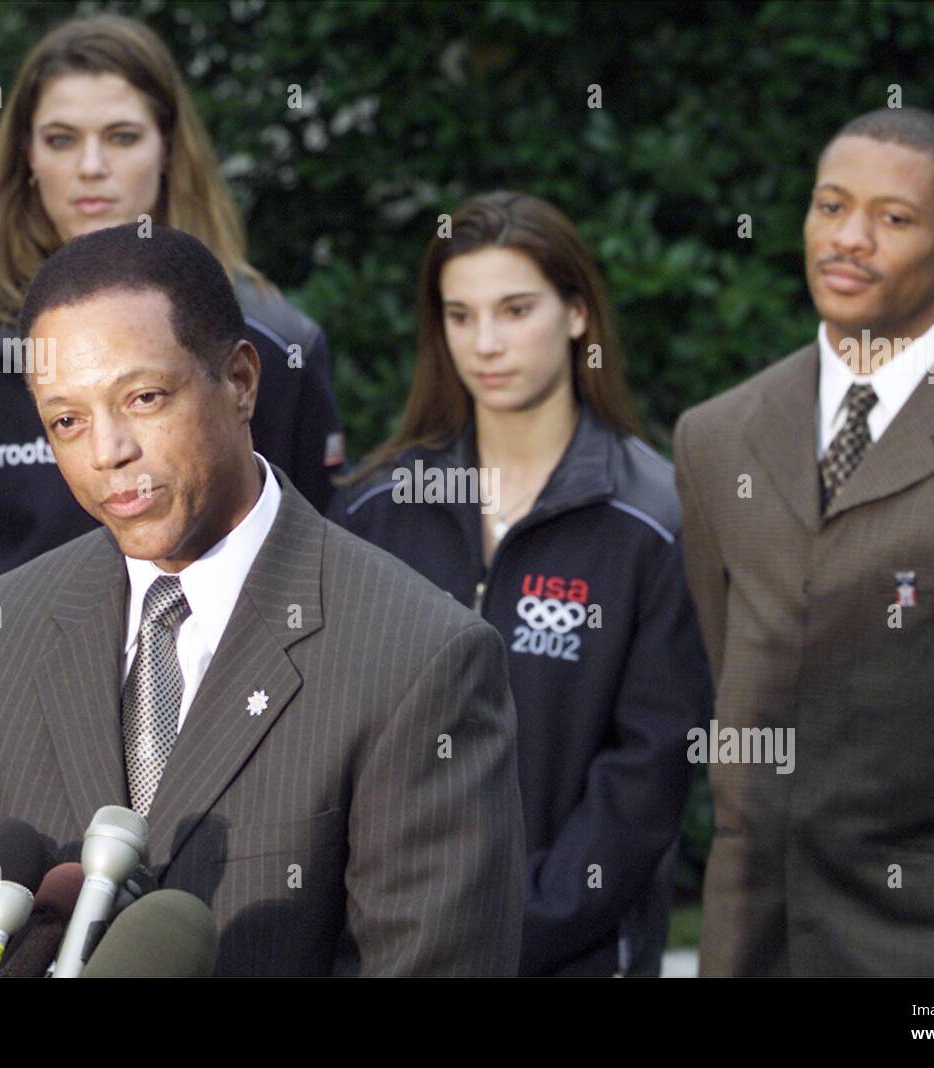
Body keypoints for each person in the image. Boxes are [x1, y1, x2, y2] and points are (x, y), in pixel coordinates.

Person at [0, 224, 526, 976]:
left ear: (239, 382)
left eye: (143, 397)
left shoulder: (419, 657)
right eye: (67, 421)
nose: (108, 452)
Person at [674, 107, 934, 976]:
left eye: (893, 218)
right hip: (761, 935)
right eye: (831, 207)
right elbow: (739, 678)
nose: (849, 239)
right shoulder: (716, 437)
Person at [329, 191, 710, 976]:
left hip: (573, 952)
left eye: (514, 309)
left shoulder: (654, 520)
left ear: (577, 314)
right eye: (459, 315)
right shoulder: (377, 511)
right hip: (391, 945)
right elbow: (333, 742)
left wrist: (519, 927)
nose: (486, 343)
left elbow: (647, 773)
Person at [0, 13, 345, 621]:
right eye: (61, 139)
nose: (92, 166)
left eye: (123, 136)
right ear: (26, 155)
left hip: (234, 700)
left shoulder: (273, 342)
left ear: (168, 151)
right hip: (13, 701)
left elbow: (310, 561)